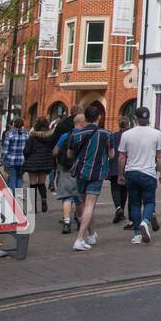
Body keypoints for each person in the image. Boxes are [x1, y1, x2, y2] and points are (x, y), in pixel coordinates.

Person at [118, 106, 161, 245]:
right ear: (148, 118)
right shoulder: (156, 134)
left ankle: (137, 234)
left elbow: (121, 157)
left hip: (131, 173)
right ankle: (145, 221)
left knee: (134, 204)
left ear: (135, 118)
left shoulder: (126, 134)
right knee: (149, 202)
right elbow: (160, 157)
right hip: (148, 173)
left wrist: (120, 174)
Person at [69, 104, 113, 252]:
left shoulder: (75, 135)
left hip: (80, 172)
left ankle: (92, 234)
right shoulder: (106, 134)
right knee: (89, 205)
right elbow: (112, 154)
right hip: (96, 172)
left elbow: (69, 154)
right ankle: (79, 239)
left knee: (84, 204)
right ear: (99, 117)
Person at [53, 113, 86, 234]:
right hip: (80, 170)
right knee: (79, 198)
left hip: (66, 169)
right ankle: (79, 219)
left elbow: (55, 151)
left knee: (67, 197)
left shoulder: (65, 136)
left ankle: (66, 221)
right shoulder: (86, 136)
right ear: (83, 123)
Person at [107, 116, 130, 225]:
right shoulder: (130, 136)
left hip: (114, 164)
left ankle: (118, 208)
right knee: (124, 189)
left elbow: (109, 149)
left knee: (115, 187)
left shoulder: (113, 135)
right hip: (127, 165)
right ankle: (122, 210)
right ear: (128, 125)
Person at [1, 118, 30, 195]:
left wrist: (2, 159)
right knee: (19, 178)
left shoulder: (9, 134)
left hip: (11, 161)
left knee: (12, 178)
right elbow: (28, 148)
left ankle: (13, 196)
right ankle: (19, 196)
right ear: (22, 125)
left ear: (14, 125)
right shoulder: (27, 134)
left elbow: (5, 150)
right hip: (22, 160)